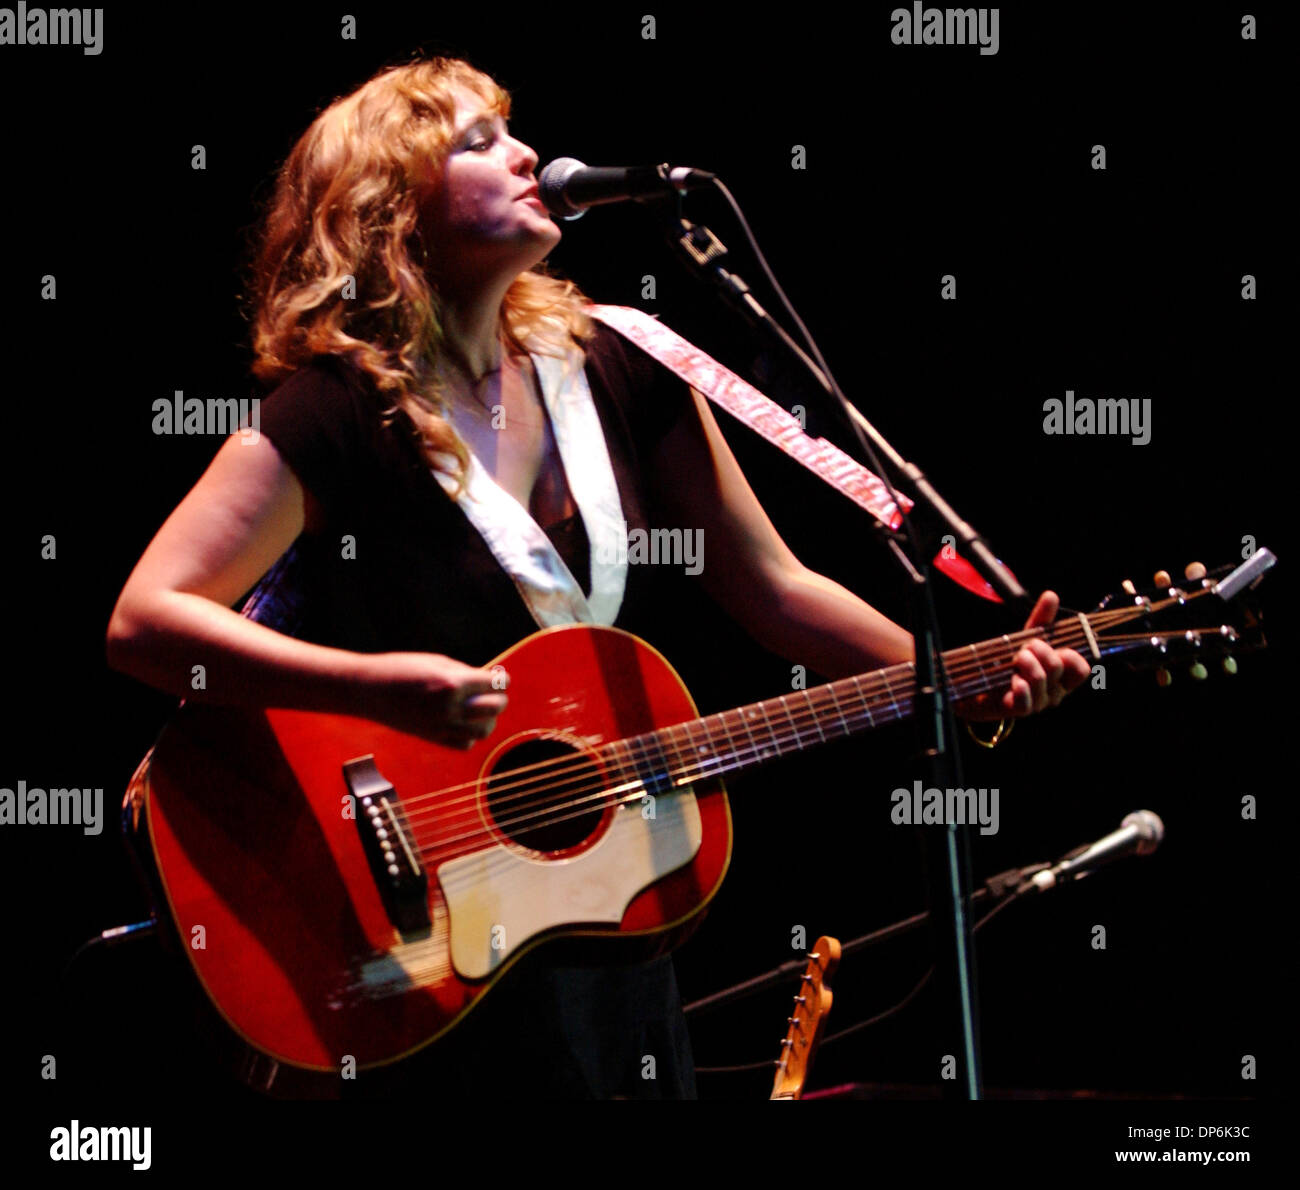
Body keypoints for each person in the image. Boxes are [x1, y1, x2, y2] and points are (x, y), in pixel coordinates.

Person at [105, 56, 1090, 1099]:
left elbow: (775, 589)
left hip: (597, 919)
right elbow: (145, 621)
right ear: (389, 209)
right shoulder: (334, 414)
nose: (527, 152)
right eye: (477, 141)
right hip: (406, 943)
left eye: (512, 129)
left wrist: (962, 674)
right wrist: (380, 685)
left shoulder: (623, 362)